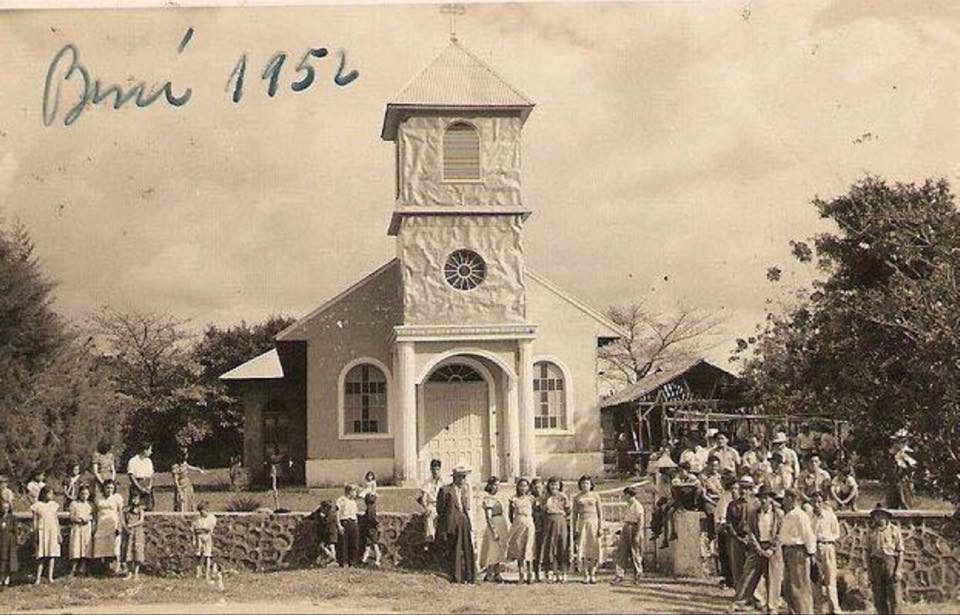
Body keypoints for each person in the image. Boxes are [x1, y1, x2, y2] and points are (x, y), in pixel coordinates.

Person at [731, 485, 783, 613]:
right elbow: (750, 532)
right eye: (762, 498)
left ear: (771, 499)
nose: (764, 500)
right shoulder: (753, 513)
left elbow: (780, 533)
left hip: (772, 549)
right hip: (758, 546)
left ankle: (772, 607)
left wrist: (772, 548)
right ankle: (740, 602)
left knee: (773, 578)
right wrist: (758, 547)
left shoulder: (778, 514)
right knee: (749, 574)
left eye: (766, 498)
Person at [779, 489, 817, 615]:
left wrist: (811, 554)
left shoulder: (800, 515)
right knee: (790, 587)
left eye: (786, 498)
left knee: (800, 586)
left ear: (792, 499)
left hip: (798, 551)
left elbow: (808, 535)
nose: (784, 501)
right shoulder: (789, 515)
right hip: (788, 551)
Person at [436, 466, 476, 584]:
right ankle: (455, 576)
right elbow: (441, 509)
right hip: (451, 523)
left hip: (463, 522)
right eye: (461, 477)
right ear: (455, 478)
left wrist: (469, 523)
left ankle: (468, 576)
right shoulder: (445, 490)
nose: (463, 480)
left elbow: (466, 508)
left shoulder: (464, 491)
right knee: (454, 549)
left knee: (467, 548)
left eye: (464, 477)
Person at [866, 504, 904, 615]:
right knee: (879, 596)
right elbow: (867, 553)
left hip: (890, 563)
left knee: (895, 596)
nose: (879, 518)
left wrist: (898, 570)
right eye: (876, 515)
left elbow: (900, 551)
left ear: (887, 516)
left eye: (881, 515)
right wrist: (869, 571)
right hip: (876, 564)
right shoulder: (871, 532)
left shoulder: (894, 530)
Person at [810, 491, 843, 614]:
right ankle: (818, 608)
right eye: (814, 502)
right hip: (814, 548)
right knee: (815, 578)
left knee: (830, 578)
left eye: (819, 501)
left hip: (827, 546)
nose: (817, 504)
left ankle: (834, 608)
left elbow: (836, 533)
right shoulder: (809, 517)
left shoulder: (830, 516)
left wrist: (827, 540)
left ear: (823, 502)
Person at [726, 475, 758, 590]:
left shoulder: (756, 505)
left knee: (752, 569)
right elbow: (729, 523)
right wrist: (736, 536)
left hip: (753, 539)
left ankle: (753, 594)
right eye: (742, 488)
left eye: (747, 488)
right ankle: (739, 593)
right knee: (737, 567)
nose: (744, 491)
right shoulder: (733, 505)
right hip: (737, 538)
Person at [572, 475, 603, 584]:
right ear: (580, 485)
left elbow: (600, 514)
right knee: (583, 549)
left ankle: (593, 574)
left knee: (594, 549)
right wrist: (575, 529)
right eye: (583, 483)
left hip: (594, 523)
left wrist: (600, 527)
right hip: (583, 524)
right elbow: (575, 515)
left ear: (591, 485)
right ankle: (585, 574)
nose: (585, 485)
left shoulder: (595, 496)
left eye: (587, 483)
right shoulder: (577, 497)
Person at [539, 476, 570, 583]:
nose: (554, 487)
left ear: (559, 485)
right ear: (548, 486)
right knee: (549, 546)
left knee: (562, 546)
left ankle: (563, 572)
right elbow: (542, 510)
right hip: (549, 521)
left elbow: (568, 510)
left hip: (561, 521)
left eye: (556, 484)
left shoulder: (563, 497)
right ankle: (551, 572)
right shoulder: (545, 497)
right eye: (552, 484)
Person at [506, 477, 536, 584]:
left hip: (529, 524)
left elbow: (535, 512)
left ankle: (530, 575)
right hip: (518, 524)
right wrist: (516, 522)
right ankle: (521, 575)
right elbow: (510, 515)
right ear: (518, 487)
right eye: (521, 485)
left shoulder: (531, 499)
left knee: (528, 549)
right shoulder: (513, 499)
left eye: (525, 486)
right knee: (519, 550)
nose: (523, 488)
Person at [612, 486, 644, 584]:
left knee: (635, 552)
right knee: (622, 552)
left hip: (634, 527)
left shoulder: (637, 505)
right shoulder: (629, 505)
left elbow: (640, 521)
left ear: (629, 495)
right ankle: (619, 575)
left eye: (625, 495)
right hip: (627, 526)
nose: (624, 497)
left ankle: (638, 574)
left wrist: (637, 534)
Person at [478, 476, 508, 582]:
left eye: (498, 485)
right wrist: (494, 530)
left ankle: (497, 573)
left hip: (501, 522)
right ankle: (489, 573)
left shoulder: (499, 498)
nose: (496, 487)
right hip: (494, 523)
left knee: (500, 549)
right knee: (492, 549)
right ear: (490, 485)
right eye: (495, 485)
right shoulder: (488, 499)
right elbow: (488, 516)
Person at [93, 478, 125, 574]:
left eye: (111, 488)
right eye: (107, 488)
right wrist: (94, 525)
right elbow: (95, 512)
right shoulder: (98, 498)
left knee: (115, 545)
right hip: (101, 524)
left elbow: (120, 512)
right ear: (104, 488)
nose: (109, 490)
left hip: (113, 523)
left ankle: (118, 567)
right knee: (102, 546)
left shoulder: (117, 498)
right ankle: (105, 568)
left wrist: (120, 525)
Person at [31, 486, 61, 585]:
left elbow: (56, 520)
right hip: (42, 531)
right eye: (49, 493)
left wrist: (58, 533)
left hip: (52, 531)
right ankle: (38, 578)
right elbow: (35, 521)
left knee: (52, 554)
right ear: (43, 494)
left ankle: (50, 577)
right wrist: (35, 534)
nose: (50, 496)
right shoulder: (37, 505)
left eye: (52, 494)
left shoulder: (54, 505)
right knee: (41, 555)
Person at [714, 471, 738, 589]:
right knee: (725, 555)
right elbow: (720, 514)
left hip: (728, 528)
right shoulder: (725, 497)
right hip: (723, 528)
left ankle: (732, 579)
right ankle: (728, 579)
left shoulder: (731, 497)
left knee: (730, 555)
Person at [68, 483, 94, 577]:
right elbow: (71, 516)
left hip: (86, 528)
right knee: (76, 547)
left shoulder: (90, 505)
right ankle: (73, 569)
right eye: (82, 494)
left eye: (86, 494)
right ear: (79, 494)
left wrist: (88, 518)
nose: (84, 496)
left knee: (85, 548)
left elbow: (92, 515)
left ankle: (83, 569)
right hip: (77, 528)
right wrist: (78, 519)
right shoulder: (74, 504)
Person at [417, 459, 444, 547]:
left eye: (437, 469)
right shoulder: (427, 482)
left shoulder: (444, 482)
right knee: (430, 516)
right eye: (433, 470)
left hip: (442, 505)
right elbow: (424, 497)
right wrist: (426, 508)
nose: (435, 472)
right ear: (431, 470)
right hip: (431, 505)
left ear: (440, 469)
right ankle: (430, 540)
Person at [888, 431, 916, 510]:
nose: (895, 444)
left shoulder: (909, 453)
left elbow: (911, 467)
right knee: (892, 505)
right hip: (894, 481)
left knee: (906, 503)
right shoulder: (892, 453)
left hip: (904, 481)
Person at [171, 448, 206, 513]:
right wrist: (180, 492)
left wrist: (198, 469)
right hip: (181, 486)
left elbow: (190, 467)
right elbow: (176, 481)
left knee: (189, 501)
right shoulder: (175, 467)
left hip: (187, 485)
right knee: (182, 502)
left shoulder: (184, 463)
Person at [335, 484, 360, 567]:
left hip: (353, 522)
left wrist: (356, 522)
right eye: (355, 491)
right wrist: (339, 524)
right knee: (343, 544)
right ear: (350, 491)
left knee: (353, 543)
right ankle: (343, 562)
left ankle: (352, 562)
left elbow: (355, 513)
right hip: (345, 522)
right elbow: (337, 512)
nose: (356, 494)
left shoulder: (353, 502)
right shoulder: (341, 500)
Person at [123, 490, 146, 580]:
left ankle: (136, 573)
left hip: (138, 532)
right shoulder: (127, 510)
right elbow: (124, 520)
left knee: (137, 552)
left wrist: (132, 525)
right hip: (129, 533)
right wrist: (126, 528)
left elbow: (141, 520)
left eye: (136, 499)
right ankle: (129, 573)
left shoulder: (140, 510)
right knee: (128, 552)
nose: (134, 500)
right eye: (133, 498)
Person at [193, 501, 218, 582]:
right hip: (199, 537)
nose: (201, 514)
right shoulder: (198, 518)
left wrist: (202, 529)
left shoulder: (212, 518)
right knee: (198, 555)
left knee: (207, 555)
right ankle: (198, 573)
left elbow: (209, 529)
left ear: (207, 510)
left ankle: (207, 574)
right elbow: (195, 528)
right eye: (200, 512)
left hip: (207, 537)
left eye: (202, 512)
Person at [127, 442, 155, 512]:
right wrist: (140, 488)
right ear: (145, 451)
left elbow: (151, 475)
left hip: (147, 485)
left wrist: (149, 486)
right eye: (150, 450)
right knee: (135, 508)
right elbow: (131, 476)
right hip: (137, 486)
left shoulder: (149, 461)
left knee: (148, 508)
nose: (151, 452)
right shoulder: (133, 461)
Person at [530, 477, 545, 583]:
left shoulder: (545, 498)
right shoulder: (529, 499)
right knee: (531, 551)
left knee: (541, 551)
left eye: (539, 487)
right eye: (535, 487)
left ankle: (540, 572)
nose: (537, 489)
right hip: (532, 526)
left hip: (543, 527)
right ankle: (531, 573)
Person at [314, 500, 339, 567]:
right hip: (332, 531)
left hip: (328, 531)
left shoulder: (328, 515)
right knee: (331, 545)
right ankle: (332, 558)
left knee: (324, 545)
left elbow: (324, 522)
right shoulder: (332, 513)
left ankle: (331, 556)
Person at [0, 498, 18, 590]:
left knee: (9, 559)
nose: (5, 509)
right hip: (1, 540)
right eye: (4, 508)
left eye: (7, 508)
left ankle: (7, 579)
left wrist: (16, 542)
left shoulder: (13, 518)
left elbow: (15, 531)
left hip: (10, 540)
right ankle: (1, 579)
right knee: (2, 559)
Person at [360, 492, 381, 567]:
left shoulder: (369, 508)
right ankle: (376, 560)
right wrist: (377, 523)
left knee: (368, 545)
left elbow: (369, 518)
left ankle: (364, 559)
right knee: (374, 544)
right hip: (372, 529)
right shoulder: (372, 508)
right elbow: (372, 519)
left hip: (369, 529)